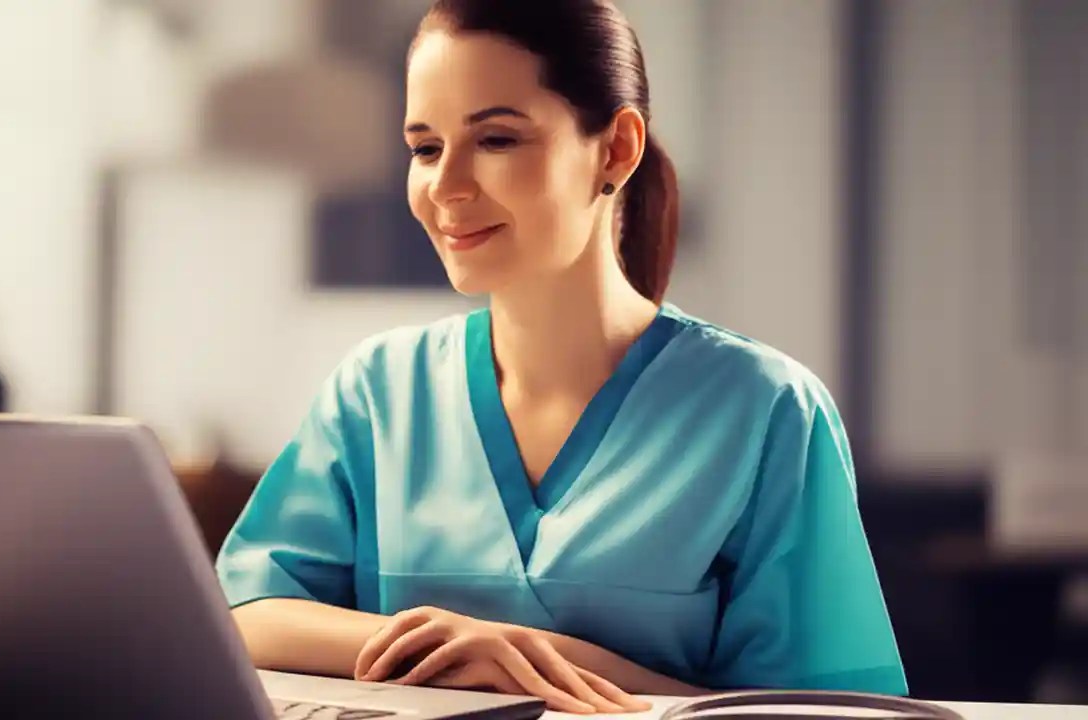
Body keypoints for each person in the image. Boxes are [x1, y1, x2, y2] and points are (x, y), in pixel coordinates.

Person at [217, 0, 906, 713]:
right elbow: (246, 617)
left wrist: (538, 660)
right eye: (425, 148)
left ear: (615, 150)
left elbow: (827, 712)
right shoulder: (378, 391)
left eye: (497, 140)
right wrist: (460, 649)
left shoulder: (766, 411)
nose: (446, 186)